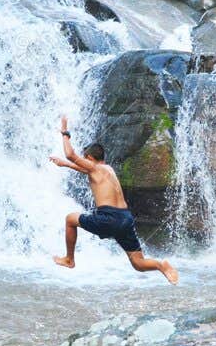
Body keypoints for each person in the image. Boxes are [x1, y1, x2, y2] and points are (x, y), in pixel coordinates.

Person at [50, 115, 179, 284]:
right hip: (125, 218)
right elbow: (86, 170)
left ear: (89, 158)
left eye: (84, 160)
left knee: (70, 219)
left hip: (109, 218)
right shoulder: (107, 169)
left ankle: (69, 259)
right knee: (138, 263)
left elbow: (70, 154)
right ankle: (161, 265)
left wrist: (65, 131)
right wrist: (66, 165)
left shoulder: (95, 168)